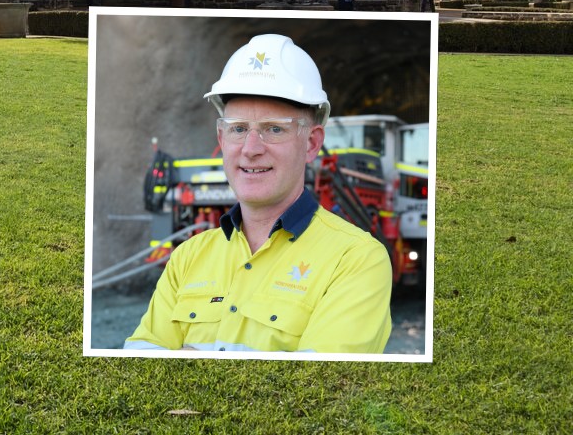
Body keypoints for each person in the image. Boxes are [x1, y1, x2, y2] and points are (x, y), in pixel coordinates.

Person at [125, 34, 393, 354]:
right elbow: (137, 364)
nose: (251, 149)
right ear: (222, 139)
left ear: (311, 143)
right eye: (238, 129)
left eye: (274, 128)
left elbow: (321, 382)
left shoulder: (357, 260)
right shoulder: (187, 257)